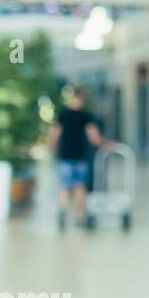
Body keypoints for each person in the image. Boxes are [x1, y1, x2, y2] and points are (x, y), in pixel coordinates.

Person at [49, 85, 104, 230]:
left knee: (65, 187)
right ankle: (78, 217)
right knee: (80, 187)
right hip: (80, 157)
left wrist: (53, 150)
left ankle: (62, 213)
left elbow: (54, 135)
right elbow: (94, 138)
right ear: (83, 99)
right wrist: (106, 144)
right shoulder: (86, 116)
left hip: (65, 156)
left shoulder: (63, 115)